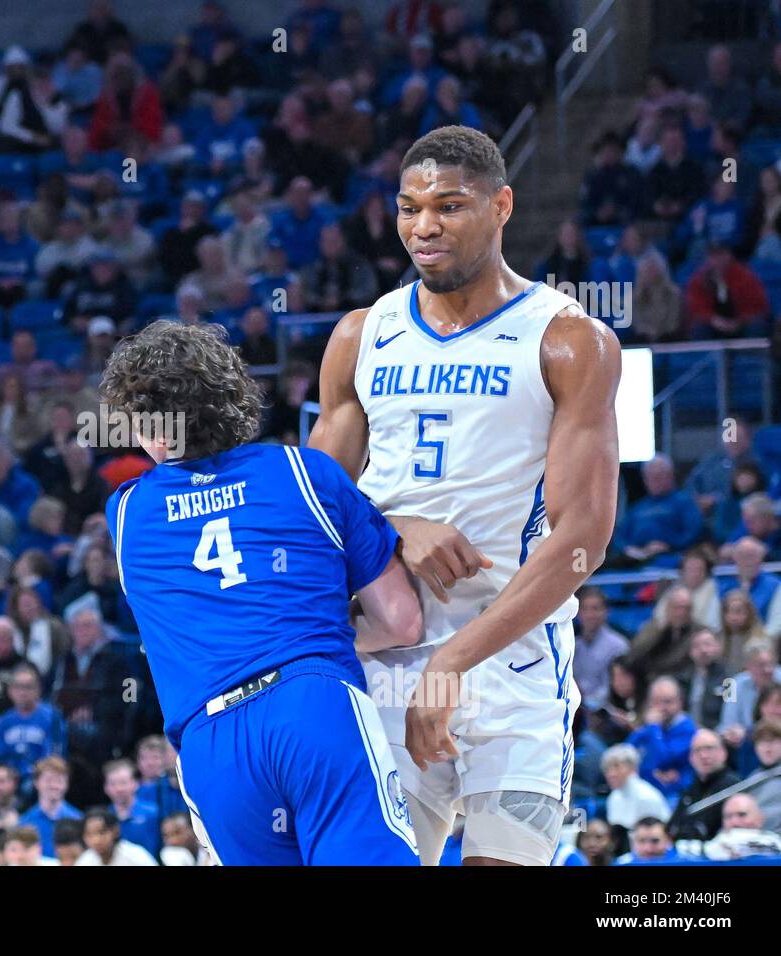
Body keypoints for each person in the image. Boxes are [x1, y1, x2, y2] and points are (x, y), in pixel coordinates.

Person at [309, 125, 621, 866]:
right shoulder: (361, 335)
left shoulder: (569, 339)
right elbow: (313, 512)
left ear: (502, 205)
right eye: (409, 207)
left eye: (449, 206)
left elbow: (584, 540)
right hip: (384, 662)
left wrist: (453, 664)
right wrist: (396, 524)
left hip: (512, 665)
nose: (423, 227)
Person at [103, 321, 422, 865]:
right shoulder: (305, 472)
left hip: (211, 742)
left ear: (151, 428)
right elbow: (401, 623)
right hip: (311, 705)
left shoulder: (127, 512)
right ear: (231, 397)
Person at [667, 729, 740, 841]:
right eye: (697, 750)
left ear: (723, 753)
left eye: (709, 748)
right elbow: (673, 827)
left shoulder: (734, 787)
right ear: (690, 758)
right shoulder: (690, 790)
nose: (703, 755)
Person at [572, 586, 629, 708]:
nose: (589, 615)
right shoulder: (573, 645)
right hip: (577, 710)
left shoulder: (618, 646)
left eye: (595, 609)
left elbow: (617, 689)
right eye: (584, 609)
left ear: (606, 611)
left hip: (610, 710)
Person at [19, 756, 83, 857]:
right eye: (48, 780)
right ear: (36, 783)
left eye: (59, 781)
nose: (54, 786)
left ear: (67, 784)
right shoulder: (24, 822)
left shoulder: (78, 820)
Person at [74, 808, 157, 866]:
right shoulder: (85, 861)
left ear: (115, 831)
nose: (96, 840)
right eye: (89, 835)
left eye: (102, 832)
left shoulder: (136, 856)